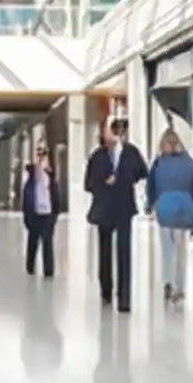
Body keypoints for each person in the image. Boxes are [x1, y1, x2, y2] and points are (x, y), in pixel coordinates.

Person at [85, 119, 148, 310]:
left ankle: (124, 297)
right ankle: (106, 289)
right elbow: (88, 183)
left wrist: (122, 178)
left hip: (123, 207)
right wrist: (104, 183)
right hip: (104, 208)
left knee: (124, 251)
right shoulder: (97, 156)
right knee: (104, 251)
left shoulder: (131, 153)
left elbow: (142, 172)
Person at [147, 129, 193, 307]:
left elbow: (151, 186)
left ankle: (167, 282)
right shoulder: (190, 163)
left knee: (166, 248)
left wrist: (150, 204)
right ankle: (180, 286)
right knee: (181, 249)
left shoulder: (159, 163)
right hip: (185, 206)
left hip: (165, 206)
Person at [22, 148, 60, 278]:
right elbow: (26, 198)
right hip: (34, 214)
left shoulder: (51, 178)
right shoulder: (32, 178)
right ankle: (30, 267)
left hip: (47, 214)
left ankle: (48, 270)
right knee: (32, 242)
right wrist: (26, 216)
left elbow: (55, 197)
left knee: (47, 243)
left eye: (44, 156)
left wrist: (55, 215)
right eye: (38, 156)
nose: (41, 159)